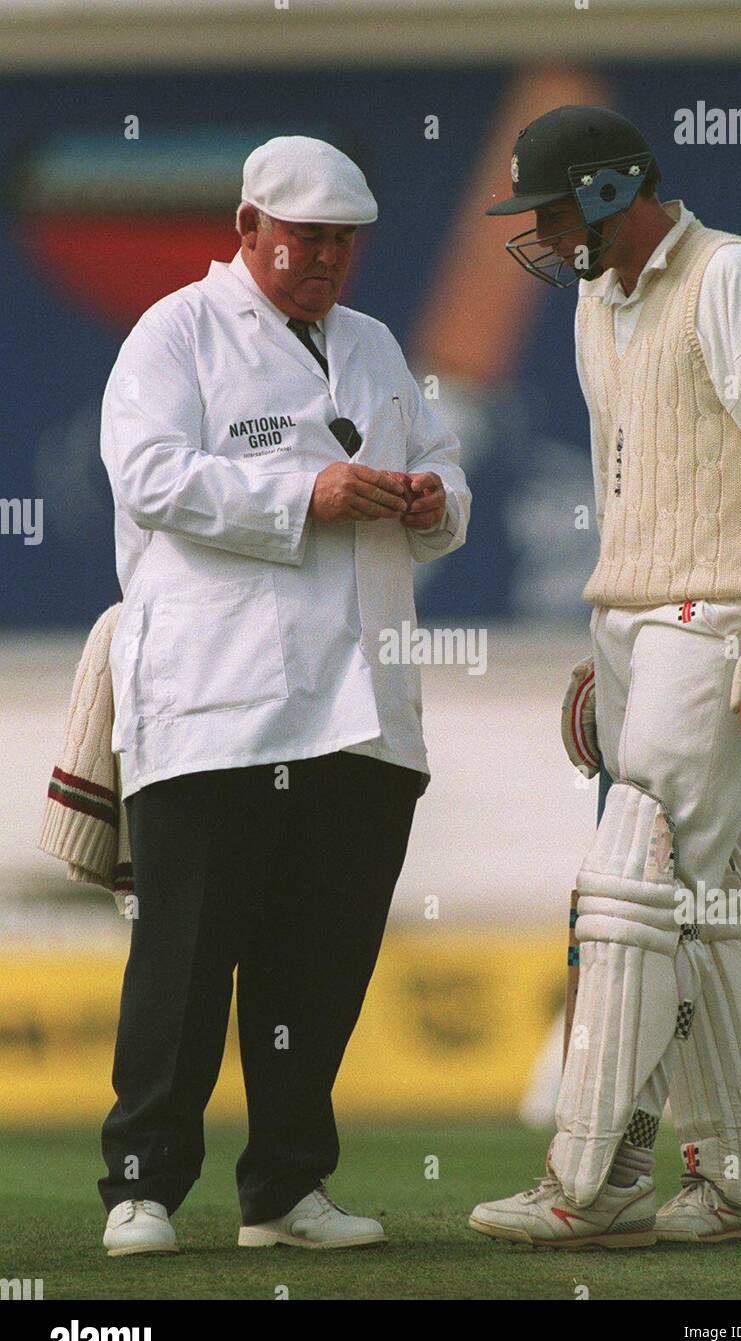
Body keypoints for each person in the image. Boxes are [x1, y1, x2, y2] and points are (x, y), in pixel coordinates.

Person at [469, 105, 741, 1248]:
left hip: (715, 612)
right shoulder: (596, 299)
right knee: (701, 901)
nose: (535, 230)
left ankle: (592, 1184)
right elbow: (623, 481)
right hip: (634, 624)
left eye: (546, 206)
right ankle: (737, 1182)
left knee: (635, 874)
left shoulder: (730, 277)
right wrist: (602, 637)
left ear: (601, 193)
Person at [98, 135, 470, 1255]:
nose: (324, 260)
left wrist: (425, 502)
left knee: (320, 959)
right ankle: (142, 1187)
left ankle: (284, 1194)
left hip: (360, 707)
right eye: (304, 238)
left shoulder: (372, 345)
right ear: (247, 228)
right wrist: (301, 491)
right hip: (220, 703)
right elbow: (148, 475)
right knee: (187, 956)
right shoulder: (177, 330)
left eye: (342, 243)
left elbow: (450, 475)